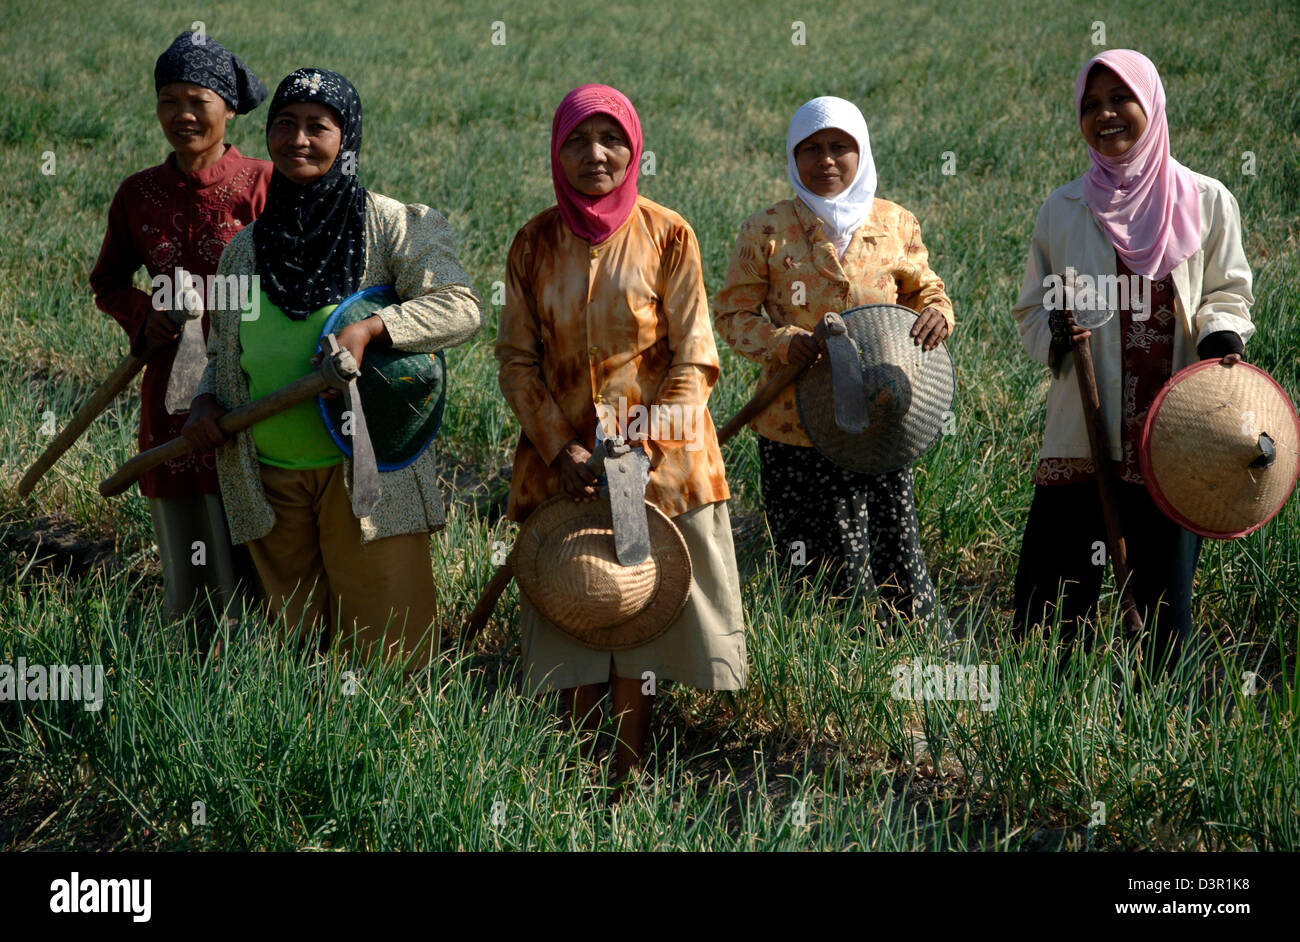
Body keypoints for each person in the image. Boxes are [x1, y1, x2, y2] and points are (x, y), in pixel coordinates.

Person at [183, 68, 481, 669]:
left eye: (317, 127)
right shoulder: (245, 249)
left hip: (366, 478)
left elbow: (462, 306)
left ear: (347, 138)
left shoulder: (392, 224)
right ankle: (308, 758)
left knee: (388, 650)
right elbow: (223, 354)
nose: (298, 140)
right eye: (285, 125)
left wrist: (375, 327)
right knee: (294, 649)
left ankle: (390, 760)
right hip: (268, 477)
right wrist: (206, 401)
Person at [496, 84, 746, 786]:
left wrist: (643, 445)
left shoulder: (669, 234)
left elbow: (695, 357)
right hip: (565, 473)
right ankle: (576, 779)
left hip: (656, 470)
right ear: (556, 152)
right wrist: (560, 447)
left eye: (611, 139)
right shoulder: (533, 242)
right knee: (578, 609)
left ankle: (626, 777)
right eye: (577, 140)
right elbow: (516, 359)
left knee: (638, 623)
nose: (594, 155)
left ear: (635, 148)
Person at [1010, 49, 1254, 664]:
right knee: (1053, 597)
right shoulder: (1064, 211)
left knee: (1164, 597)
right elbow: (1030, 308)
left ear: (1152, 105)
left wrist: (1221, 334)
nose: (1105, 115)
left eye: (1121, 99)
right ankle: (1049, 705)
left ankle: (1160, 719)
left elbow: (1227, 289)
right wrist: (1056, 335)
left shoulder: (1206, 199)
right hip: (1083, 433)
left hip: (1176, 432)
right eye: (1090, 105)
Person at [713, 96, 954, 626]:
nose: (826, 160)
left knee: (896, 549)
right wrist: (782, 342)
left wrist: (938, 312)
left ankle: (910, 655)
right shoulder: (767, 231)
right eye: (811, 149)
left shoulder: (895, 223)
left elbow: (925, 290)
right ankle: (826, 669)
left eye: (840, 147)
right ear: (792, 157)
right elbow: (731, 315)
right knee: (813, 567)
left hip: (882, 421)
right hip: (792, 424)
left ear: (861, 151)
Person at [89, 30, 270, 622]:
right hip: (171, 385)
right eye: (169, 100)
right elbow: (108, 281)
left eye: (198, 100)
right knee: (188, 529)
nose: (183, 115)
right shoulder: (138, 194)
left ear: (228, 106)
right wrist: (147, 315)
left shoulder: (266, 184)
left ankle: (266, 659)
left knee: (258, 517)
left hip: (255, 381)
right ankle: (190, 650)